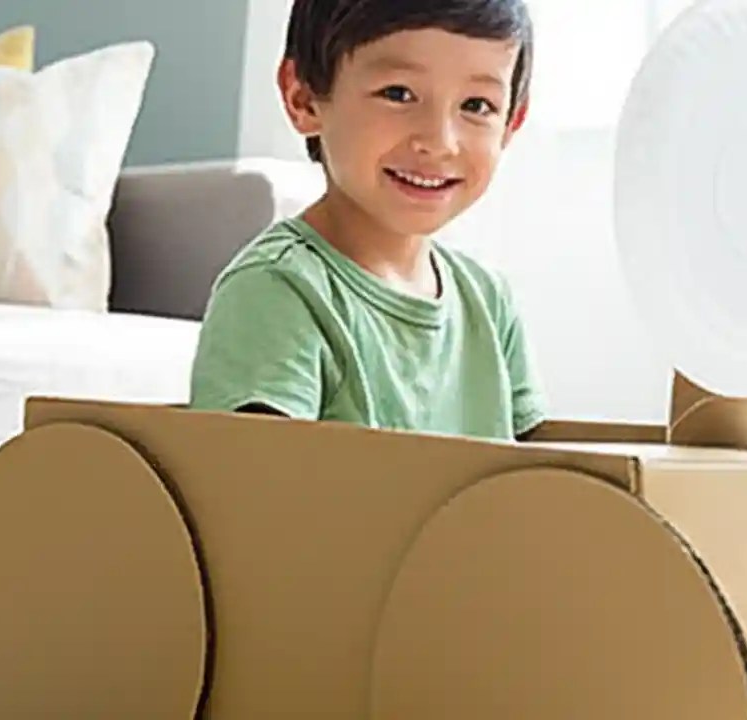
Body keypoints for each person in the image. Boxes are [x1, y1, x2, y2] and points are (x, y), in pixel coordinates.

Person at [189, 0, 546, 441]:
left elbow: (539, 477)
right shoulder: (278, 289)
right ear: (303, 97)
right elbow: (254, 489)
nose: (439, 142)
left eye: (476, 105)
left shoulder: (490, 301)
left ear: (512, 122)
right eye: (398, 94)